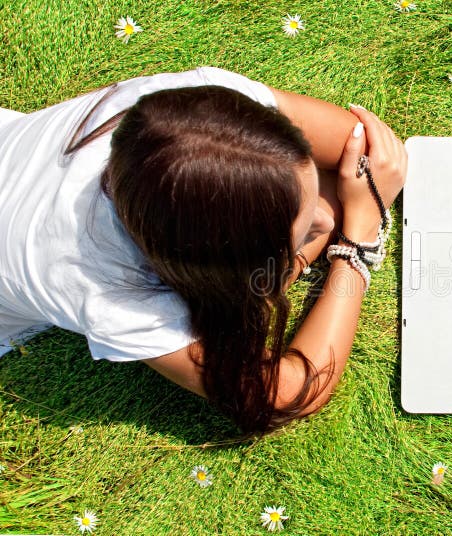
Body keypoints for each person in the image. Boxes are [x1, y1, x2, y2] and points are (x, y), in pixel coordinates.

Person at [0, 66, 408, 436]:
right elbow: (287, 393)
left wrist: (308, 237)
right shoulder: (115, 297)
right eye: (299, 232)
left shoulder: (199, 116)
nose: (322, 220)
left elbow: (362, 147)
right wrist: (357, 240)